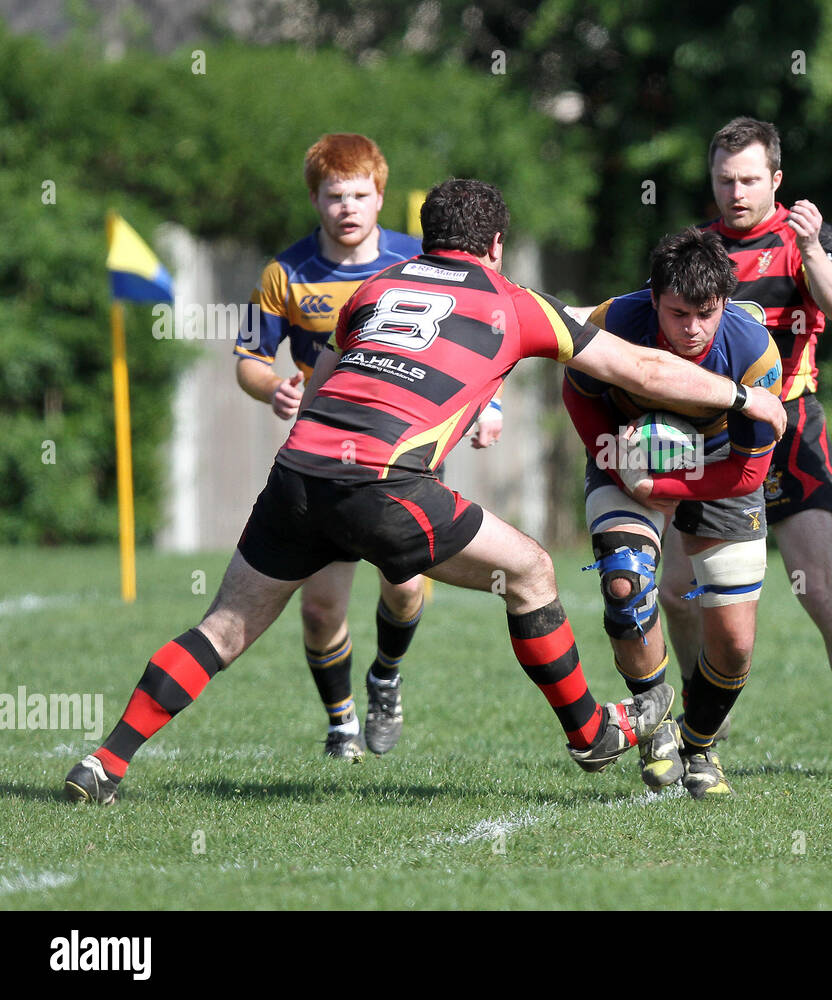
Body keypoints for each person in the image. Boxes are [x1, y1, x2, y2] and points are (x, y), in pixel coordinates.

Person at [64, 178, 788, 805]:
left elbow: (353, 362)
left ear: (424, 236)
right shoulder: (513, 301)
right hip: (384, 480)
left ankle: (106, 761)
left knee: (222, 628)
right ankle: (594, 734)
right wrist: (740, 397)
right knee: (531, 571)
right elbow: (644, 372)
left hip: (298, 472)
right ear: (497, 245)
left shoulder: (374, 288)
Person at [234, 133, 504, 760]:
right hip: (324, 457)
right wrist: (273, 387)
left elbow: (482, 334)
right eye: (334, 196)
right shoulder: (282, 274)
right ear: (314, 199)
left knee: (404, 588)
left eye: (360, 194)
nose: (347, 208)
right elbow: (246, 358)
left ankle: (386, 673)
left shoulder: (421, 259)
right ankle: (342, 724)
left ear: (382, 196)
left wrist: (489, 405)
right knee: (321, 606)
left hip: (402, 455)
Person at [667, 116, 832, 776]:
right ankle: (704, 707)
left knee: (818, 588)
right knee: (678, 591)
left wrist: (814, 250)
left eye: (748, 180)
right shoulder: (693, 246)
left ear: (775, 180)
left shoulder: (807, 236)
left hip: (790, 427)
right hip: (709, 433)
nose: (735, 192)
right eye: (723, 180)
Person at [564, 228, 782, 799]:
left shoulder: (753, 351)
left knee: (733, 644)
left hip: (720, 468)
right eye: (678, 313)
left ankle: (699, 746)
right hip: (626, 458)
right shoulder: (615, 323)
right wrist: (618, 465)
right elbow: (577, 391)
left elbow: (750, 473)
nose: (692, 329)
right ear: (653, 297)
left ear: (724, 304)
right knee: (624, 582)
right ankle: (656, 724)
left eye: (706, 314)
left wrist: (665, 486)